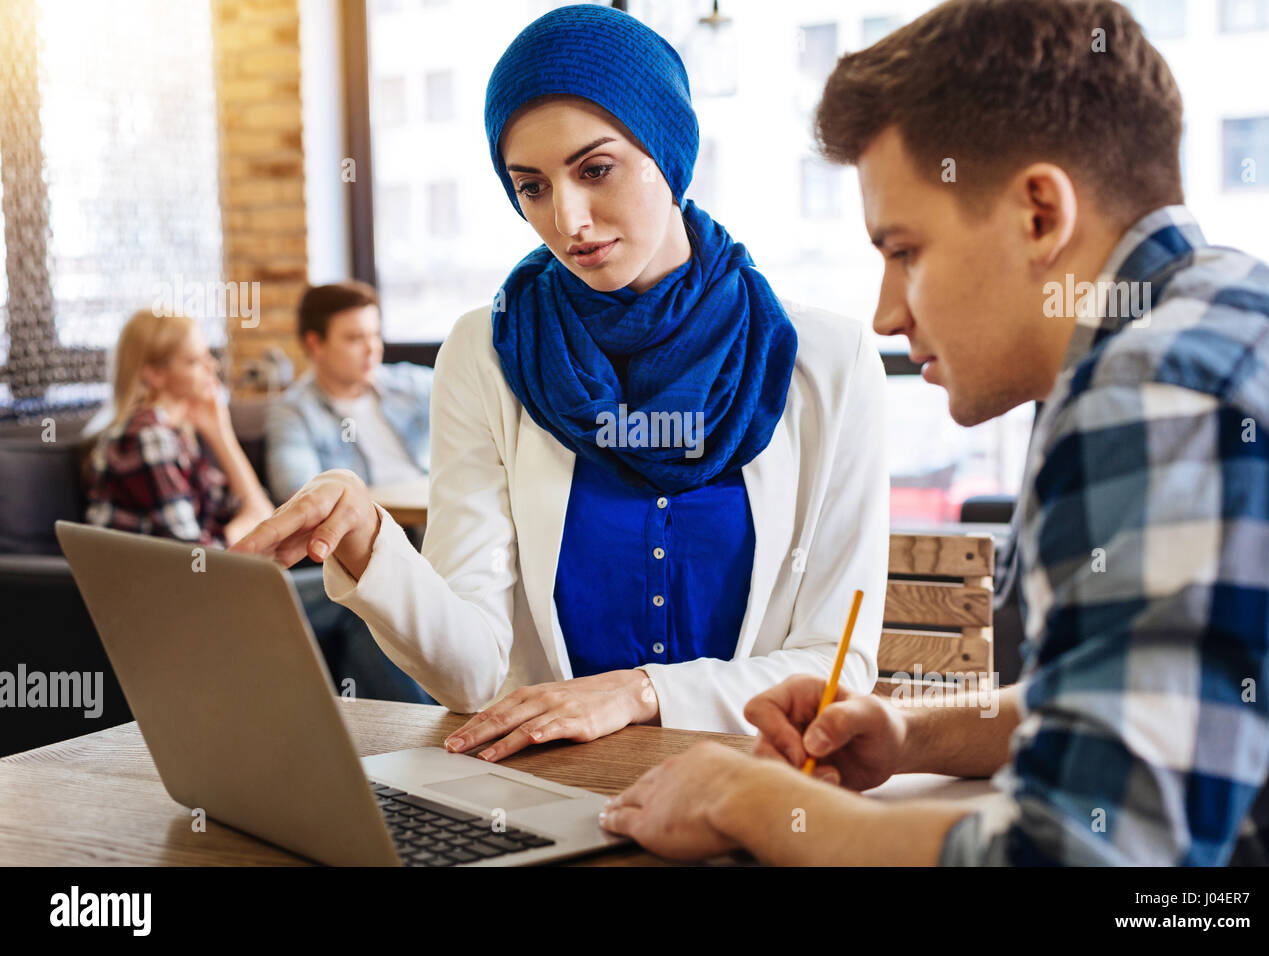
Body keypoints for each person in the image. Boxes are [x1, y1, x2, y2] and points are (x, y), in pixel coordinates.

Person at [599, 0, 1269, 866]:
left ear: (1039, 214)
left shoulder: (1151, 391)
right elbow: (1143, 704)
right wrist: (908, 732)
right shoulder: (1243, 317)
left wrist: (759, 803)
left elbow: (1086, 855)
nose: (887, 314)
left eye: (905, 251)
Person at [231, 4, 891, 762]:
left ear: (669, 149)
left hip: (751, 789)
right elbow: (475, 671)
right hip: (549, 797)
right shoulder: (487, 350)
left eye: (595, 169)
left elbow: (838, 667)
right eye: (532, 186)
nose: (567, 219)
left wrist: (641, 691)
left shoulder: (828, 362)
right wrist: (371, 544)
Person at [82, 308, 434, 705]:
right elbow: (197, 559)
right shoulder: (147, 437)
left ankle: (372, 745)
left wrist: (221, 433)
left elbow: (259, 513)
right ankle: (415, 741)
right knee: (356, 599)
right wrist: (245, 527)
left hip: (216, 586)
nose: (211, 367)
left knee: (358, 591)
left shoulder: (178, 434)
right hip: (178, 605)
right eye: (195, 360)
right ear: (154, 374)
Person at [265, 281, 433, 505]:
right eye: (355, 338)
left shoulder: (410, 385)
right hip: (371, 531)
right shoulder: (294, 413)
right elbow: (301, 497)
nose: (373, 348)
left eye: (375, 334)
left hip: (436, 517)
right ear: (315, 345)